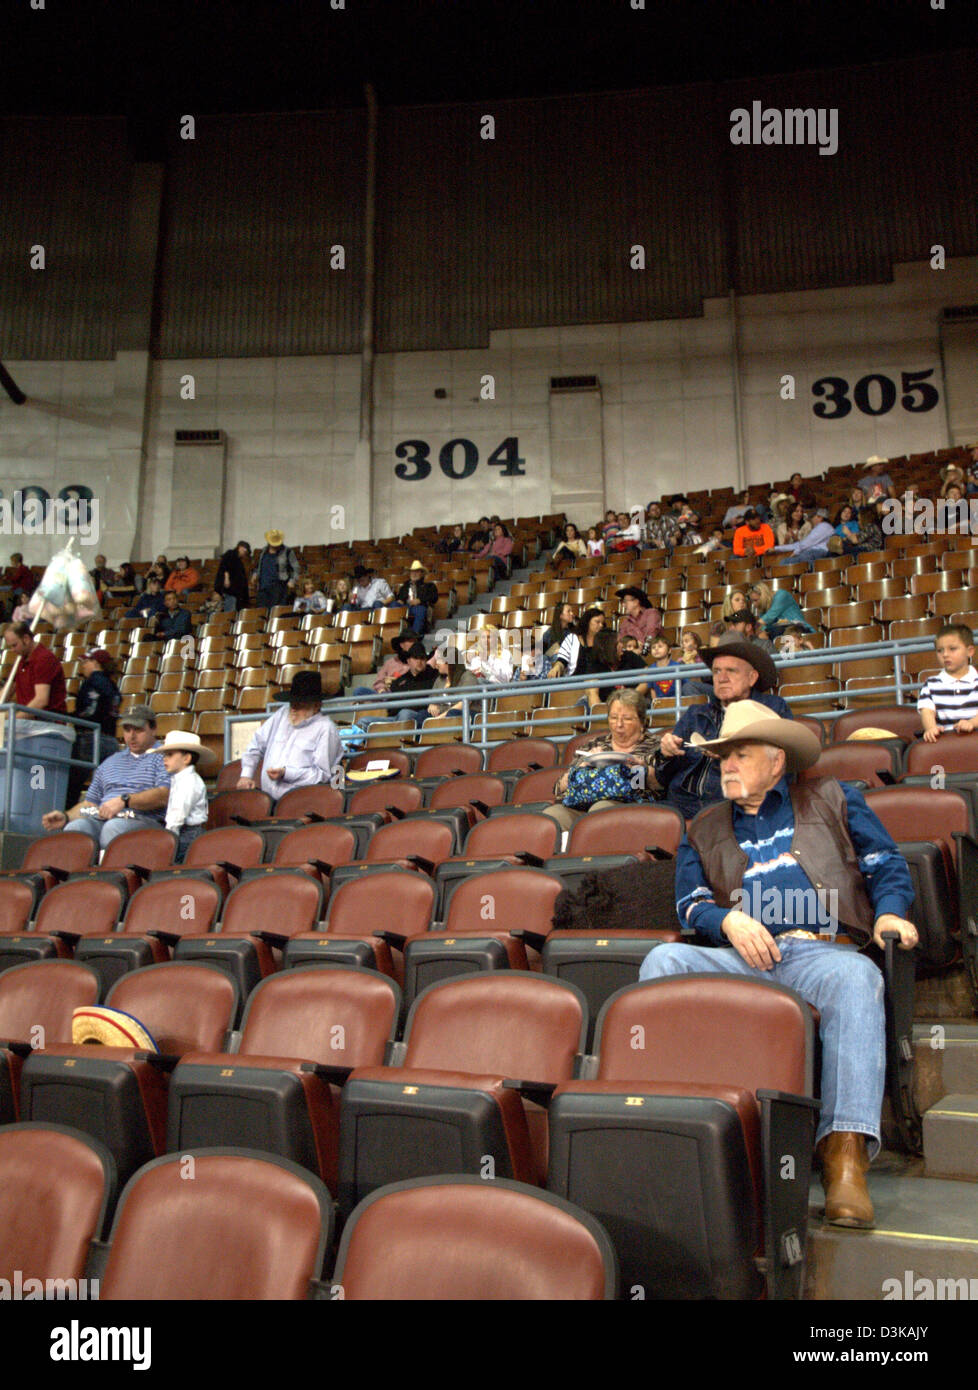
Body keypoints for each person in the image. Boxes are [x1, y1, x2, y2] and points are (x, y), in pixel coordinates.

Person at [638, 700, 917, 1228]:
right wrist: (729, 923)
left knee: (858, 976)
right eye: (722, 757)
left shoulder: (834, 798)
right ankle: (680, 1131)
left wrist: (889, 915)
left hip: (821, 951)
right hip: (744, 958)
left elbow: (886, 863)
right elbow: (690, 904)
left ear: (776, 761)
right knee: (663, 960)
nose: (727, 765)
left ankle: (844, 1157)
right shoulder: (703, 825)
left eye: (740, 754)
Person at [654, 635, 792, 820]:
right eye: (717, 671)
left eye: (731, 671)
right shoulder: (695, 713)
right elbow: (663, 779)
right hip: (678, 804)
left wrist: (731, 756)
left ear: (752, 678)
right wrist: (666, 754)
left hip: (733, 806)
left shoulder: (772, 708)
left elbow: (786, 771)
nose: (722, 678)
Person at [41, 705, 170, 850]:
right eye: (127, 729)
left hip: (142, 820)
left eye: (138, 729)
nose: (131, 736)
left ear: (153, 729)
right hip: (104, 818)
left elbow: (164, 795)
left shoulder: (164, 758)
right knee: (76, 828)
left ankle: (110, 872)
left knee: (113, 827)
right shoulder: (110, 762)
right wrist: (66, 816)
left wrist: (125, 801)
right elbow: (90, 804)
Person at [543, 688, 662, 835]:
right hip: (581, 808)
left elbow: (662, 786)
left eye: (627, 719)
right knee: (551, 816)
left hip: (632, 809)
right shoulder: (593, 745)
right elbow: (558, 789)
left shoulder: (656, 746)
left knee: (600, 810)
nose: (618, 724)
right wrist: (583, 765)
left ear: (643, 721)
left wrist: (641, 768)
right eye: (613, 718)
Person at [238, 671, 344, 803]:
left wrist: (286, 773)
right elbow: (256, 744)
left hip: (302, 803)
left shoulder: (326, 729)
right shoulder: (282, 714)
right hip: (268, 800)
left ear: (316, 705)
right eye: (292, 703)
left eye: (300, 704)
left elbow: (322, 775)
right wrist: (246, 775)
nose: (293, 708)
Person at [68, 648, 122, 806]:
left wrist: (70, 717)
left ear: (96, 663)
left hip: (89, 739)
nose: (83, 666)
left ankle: (65, 820)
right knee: (108, 788)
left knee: (73, 785)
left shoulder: (92, 682)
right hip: (110, 740)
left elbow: (89, 711)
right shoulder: (113, 685)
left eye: (86, 662)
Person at [917, 624, 978, 742]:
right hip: (945, 742)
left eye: (952, 649)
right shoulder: (931, 684)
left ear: (970, 651)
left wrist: (972, 723)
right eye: (940, 650)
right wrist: (931, 728)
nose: (945, 654)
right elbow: (927, 711)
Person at [160, 730, 214, 861]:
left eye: (170, 755)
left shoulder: (188, 782)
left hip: (188, 834)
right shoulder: (183, 780)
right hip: (185, 832)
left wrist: (169, 838)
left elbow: (178, 814)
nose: (165, 759)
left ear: (186, 758)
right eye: (165, 755)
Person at [3, 621, 67, 717]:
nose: (12, 650)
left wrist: (14, 719)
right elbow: (7, 690)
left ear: (26, 639)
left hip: (47, 721)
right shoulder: (21, 660)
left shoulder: (44, 658)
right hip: (28, 721)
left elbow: (41, 701)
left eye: (14, 645)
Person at [386, 641, 439, 725]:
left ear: (426, 660)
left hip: (418, 717)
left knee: (405, 713)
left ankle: (400, 738)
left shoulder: (434, 676)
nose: (419, 661)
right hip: (395, 718)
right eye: (415, 658)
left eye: (422, 658)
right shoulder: (399, 681)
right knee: (365, 721)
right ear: (408, 660)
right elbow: (390, 707)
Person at [549, 607, 609, 679]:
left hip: (599, 682)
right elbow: (562, 660)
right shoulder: (572, 638)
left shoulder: (604, 641)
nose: (601, 625)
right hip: (575, 682)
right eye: (597, 622)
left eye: (602, 623)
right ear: (587, 621)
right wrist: (557, 667)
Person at [748, 580, 814, 638]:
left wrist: (752, 628)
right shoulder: (763, 609)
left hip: (800, 629)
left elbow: (769, 617)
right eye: (752, 601)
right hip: (782, 632)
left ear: (763, 596)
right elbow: (763, 628)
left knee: (775, 631)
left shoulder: (781, 595)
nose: (754, 604)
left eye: (755, 600)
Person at [255, 530, 300, 609]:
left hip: (279, 587)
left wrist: (292, 580)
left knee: (276, 610)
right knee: (261, 611)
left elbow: (296, 568)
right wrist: (256, 574)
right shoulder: (263, 551)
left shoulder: (287, 551)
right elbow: (259, 566)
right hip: (263, 586)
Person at [615, 586, 663, 654]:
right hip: (631, 658)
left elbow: (651, 634)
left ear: (636, 602)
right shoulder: (625, 623)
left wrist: (638, 648)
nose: (623, 605)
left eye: (625, 602)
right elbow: (621, 643)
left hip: (651, 655)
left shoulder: (651, 614)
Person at [396, 560, 438, 635]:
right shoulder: (404, 586)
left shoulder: (428, 586)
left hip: (418, 607)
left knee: (420, 609)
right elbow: (400, 598)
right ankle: (394, 634)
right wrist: (400, 601)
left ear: (422, 573)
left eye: (417, 571)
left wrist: (420, 600)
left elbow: (434, 598)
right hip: (405, 607)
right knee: (393, 605)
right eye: (412, 571)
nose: (414, 573)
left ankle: (414, 635)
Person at [215, 541, 252, 613]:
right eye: (245, 550)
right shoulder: (230, 554)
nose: (245, 553)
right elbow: (224, 567)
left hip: (236, 590)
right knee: (230, 611)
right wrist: (226, 578)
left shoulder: (239, 560)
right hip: (231, 590)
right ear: (240, 548)